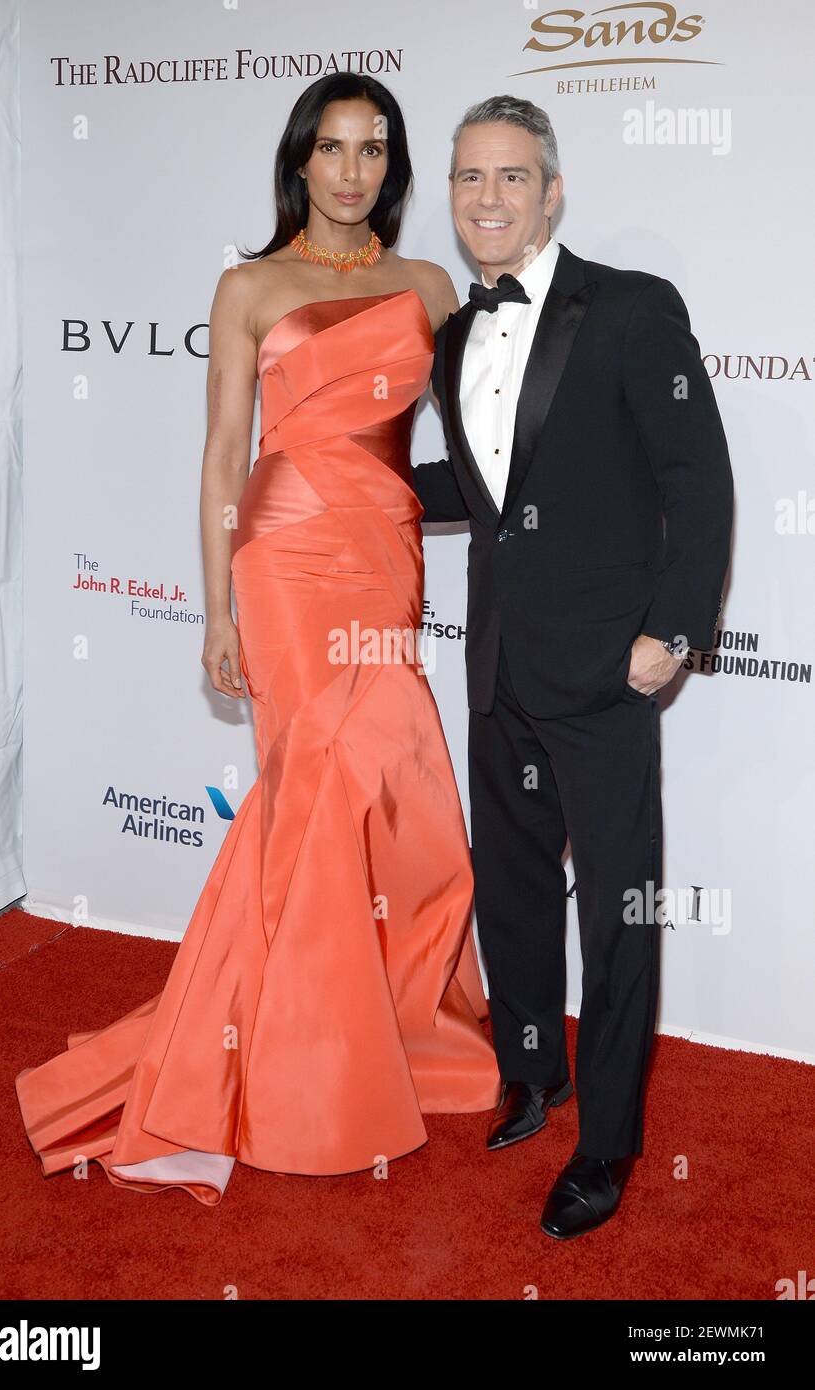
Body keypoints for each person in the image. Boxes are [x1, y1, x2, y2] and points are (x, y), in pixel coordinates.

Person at [14, 74, 502, 1206]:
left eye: (372, 149)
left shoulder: (429, 285)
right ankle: (287, 1070)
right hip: (281, 560)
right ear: (299, 162)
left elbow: (485, 434)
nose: (351, 171)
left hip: (382, 552)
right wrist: (217, 608)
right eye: (330, 149)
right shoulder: (246, 283)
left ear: (393, 165)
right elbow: (223, 451)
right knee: (312, 791)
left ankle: (369, 1031)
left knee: (396, 791)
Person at [412, 95, 733, 1239]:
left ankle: (606, 1142)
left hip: (606, 671)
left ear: (550, 192)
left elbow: (697, 481)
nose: (486, 198)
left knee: (613, 910)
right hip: (496, 665)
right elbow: (485, 492)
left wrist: (675, 628)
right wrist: (358, 491)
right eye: (465, 178)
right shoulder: (454, 337)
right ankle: (531, 1070)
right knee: (506, 891)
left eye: (509, 176)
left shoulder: (633, 312)